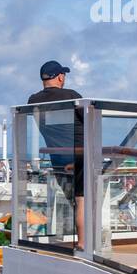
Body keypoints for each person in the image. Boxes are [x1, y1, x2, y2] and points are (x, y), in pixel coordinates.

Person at [27, 60, 84, 249]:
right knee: (82, 199)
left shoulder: (33, 100)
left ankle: (80, 239)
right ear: (60, 76)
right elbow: (89, 120)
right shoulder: (71, 96)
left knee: (74, 201)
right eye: (63, 75)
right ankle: (83, 243)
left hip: (57, 157)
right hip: (80, 154)